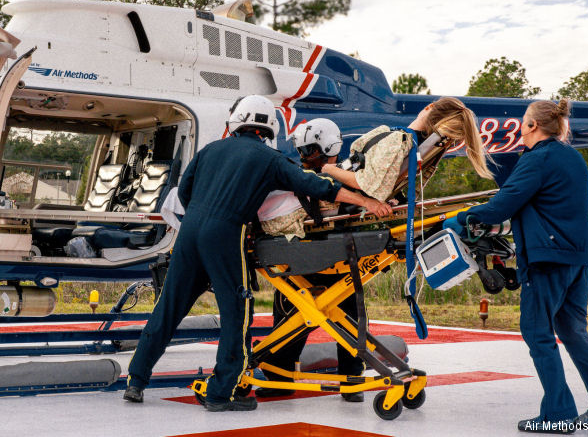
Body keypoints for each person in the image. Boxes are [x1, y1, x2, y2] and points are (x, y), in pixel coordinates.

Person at [123, 96, 393, 412]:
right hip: (225, 234)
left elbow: (183, 192)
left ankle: (136, 381)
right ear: (267, 127)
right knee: (237, 312)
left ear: (236, 121)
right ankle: (222, 393)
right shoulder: (270, 159)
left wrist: (202, 211)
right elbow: (318, 186)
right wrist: (368, 203)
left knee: (168, 307)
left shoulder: (210, 150)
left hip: (190, 231)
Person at [443, 99, 588, 434]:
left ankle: (559, 414)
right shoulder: (573, 158)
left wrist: (455, 220)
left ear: (532, 126)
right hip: (578, 258)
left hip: (547, 260)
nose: (521, 127)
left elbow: (501, 206)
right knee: (573, 332)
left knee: (537, 332)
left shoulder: (537, 160)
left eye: (524, 121)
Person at [253, 118, 366, 402]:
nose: (306, 158)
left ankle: (351, 377)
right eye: (303, 153)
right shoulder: (305, 175)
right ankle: (280, 376)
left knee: (347, 317)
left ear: (329, 147)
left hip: (325, 255)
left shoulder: (342, 174)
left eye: (311, 152)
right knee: (296, 316)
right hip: (311, 254)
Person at [321, 96, 494, 201]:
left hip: (333, 192)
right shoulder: (419, 148)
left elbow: (364, 183)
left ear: (429, 107)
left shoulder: (399, 140)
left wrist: (328, 168)